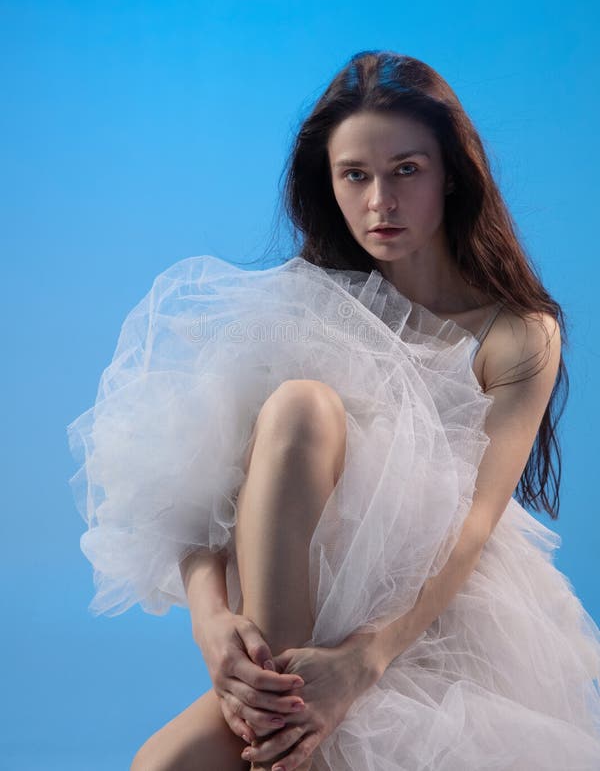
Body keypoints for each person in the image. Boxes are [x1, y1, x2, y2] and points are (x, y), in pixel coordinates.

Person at [67, 51, 600, 771]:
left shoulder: (515, 333)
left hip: (421, 627)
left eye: (406, 170)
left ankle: (284, 736)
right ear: (329, 183)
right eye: (356, 175)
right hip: (296, 606)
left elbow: (472, 526)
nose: (381, 201)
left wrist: (366, 659)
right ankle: (288, 728)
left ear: (451, 174)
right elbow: (206, 486)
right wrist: (211, 620)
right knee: (299, 409)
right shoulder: (306, 305)